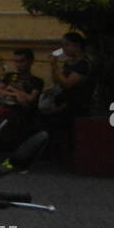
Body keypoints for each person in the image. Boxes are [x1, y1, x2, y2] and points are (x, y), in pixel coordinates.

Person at [39, 31, 93, 159]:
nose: (64, 49)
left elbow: (68, 83)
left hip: (76, 103)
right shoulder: (69, 63)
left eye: (67, 45)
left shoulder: (83, 64)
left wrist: (54, 66)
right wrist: (54, 68)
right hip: (64, 100)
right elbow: (58, 80)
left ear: (77, 46)